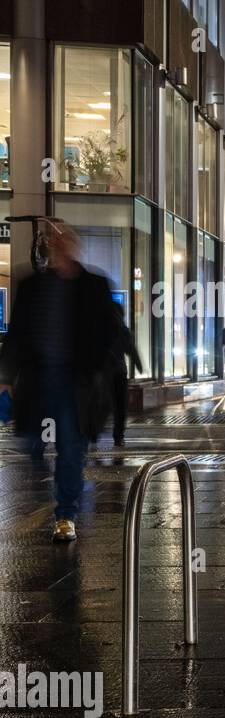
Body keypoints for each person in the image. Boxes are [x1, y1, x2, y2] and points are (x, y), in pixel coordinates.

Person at [0, 225, 119, 541]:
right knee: (31, 445)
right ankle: (51, 491)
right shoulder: (31, 286)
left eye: (66, 242)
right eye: (55, 242)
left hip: (74, 382)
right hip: (38, 381)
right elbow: (17, 335)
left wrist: (95, 369)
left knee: (70, 445)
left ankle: (65, 515)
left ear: (75, 247)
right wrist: (6, 378)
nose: (60, 246)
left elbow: (110, 330)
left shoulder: (94, 285)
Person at [110, 306, 142, 447]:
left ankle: (93, 434)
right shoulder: (123, 329)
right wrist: (138, 365)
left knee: (101, 405)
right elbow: (131, 349)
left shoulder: (100, 330)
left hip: (105, 373)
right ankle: (118, 436)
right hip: (119, 372)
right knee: (120, 406)